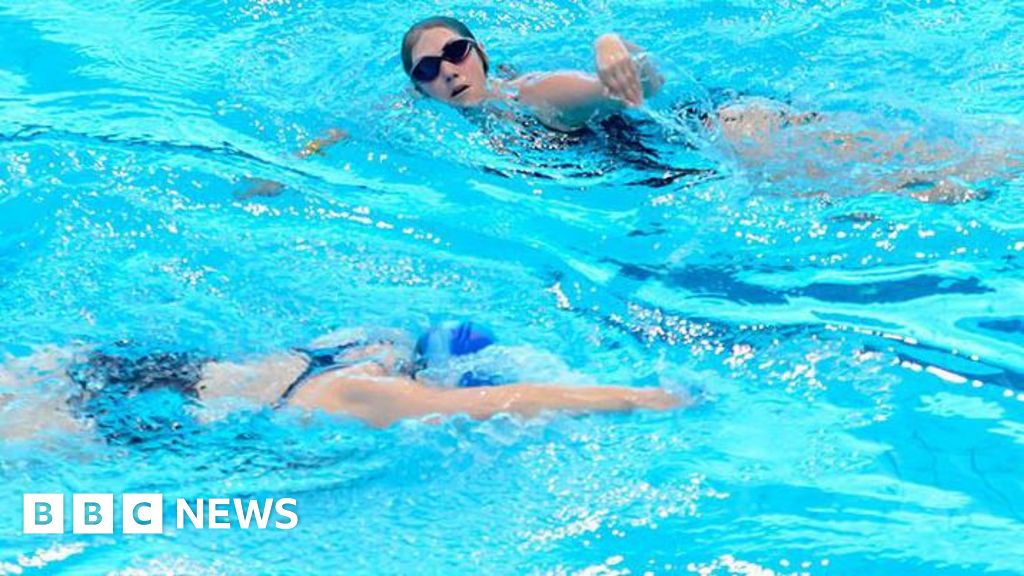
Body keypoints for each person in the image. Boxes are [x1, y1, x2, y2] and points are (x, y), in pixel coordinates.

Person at [0, 322, 685, 441]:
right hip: (139, 420)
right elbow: (512, 402)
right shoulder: (371, 395)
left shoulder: (359, 349)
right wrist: (641, 397)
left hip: (140, 368)